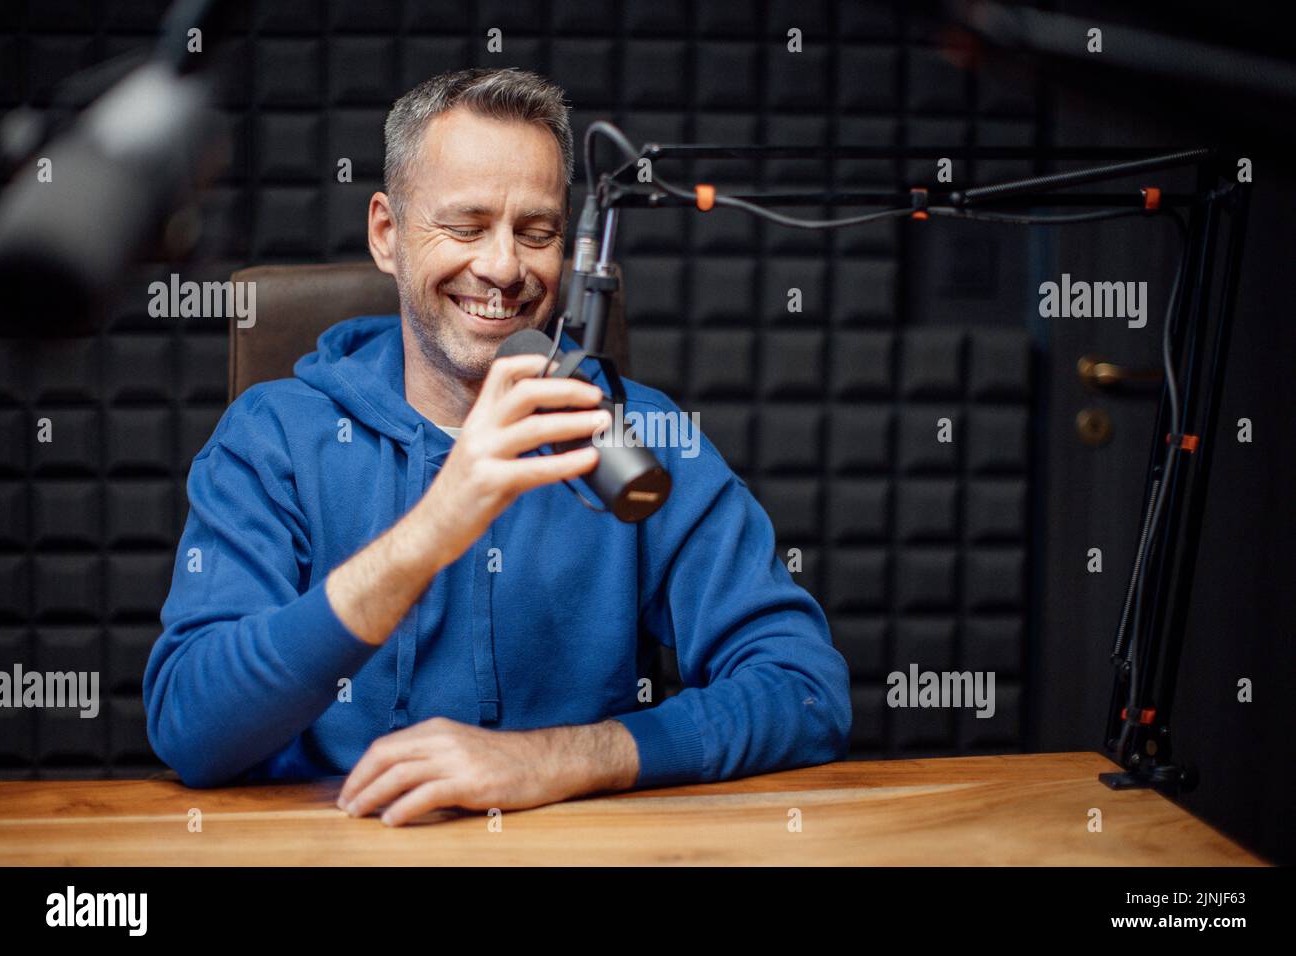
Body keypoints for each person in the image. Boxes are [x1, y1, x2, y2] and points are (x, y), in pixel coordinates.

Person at [143, 67, 851, 826]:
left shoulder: (639, 440)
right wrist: (430, 532)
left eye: (537, 232)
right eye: (467, 226)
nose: (505, 268)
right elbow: (192, 726)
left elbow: (804, 689)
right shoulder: (273, 438)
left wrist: (557, 759)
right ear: (388, 234)